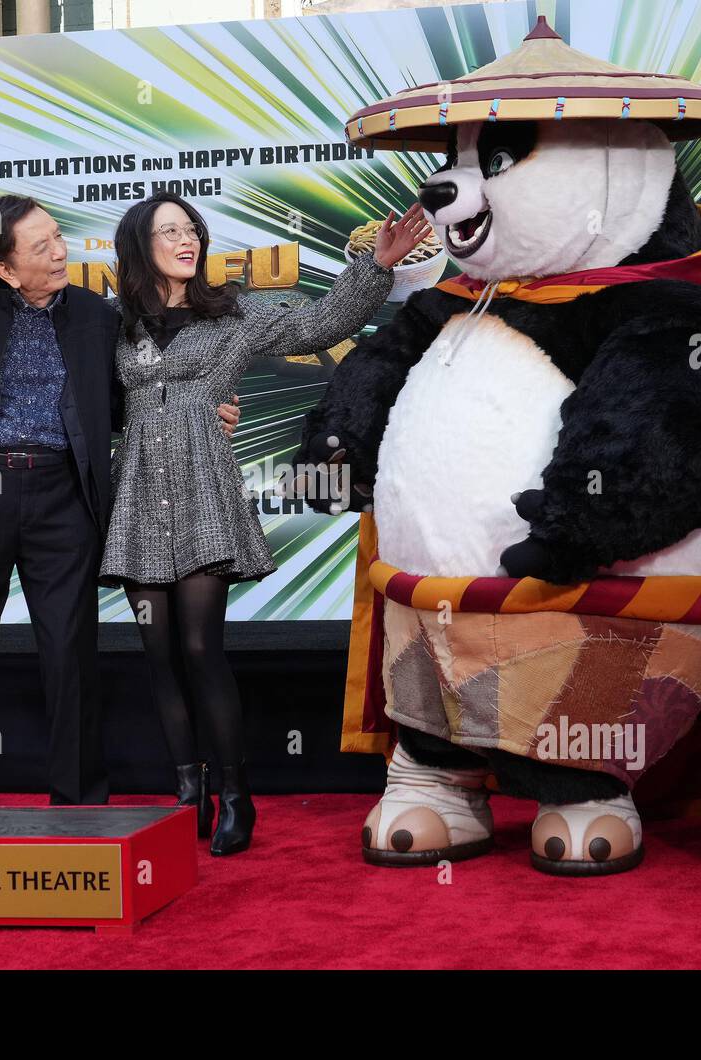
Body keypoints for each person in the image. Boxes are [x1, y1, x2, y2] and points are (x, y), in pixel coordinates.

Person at [101, 190, 432, 854]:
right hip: (136, 497)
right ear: (140, 245)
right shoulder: (110, 324)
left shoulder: (234, 313)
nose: (186, 239)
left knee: (200, 649)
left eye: (191, 229)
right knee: (158, 658)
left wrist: (376, 267)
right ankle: (186, 791)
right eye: (170, 231)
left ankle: (234, 795)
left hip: (204, 494)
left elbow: (319, 324)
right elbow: (94, 403)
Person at [0, 194, 239, 806]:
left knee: (70, 653)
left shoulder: (97, 317)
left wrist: (201, 411)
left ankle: (79, 803)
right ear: (4, 268)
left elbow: (128, 404)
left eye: (58, 236)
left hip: (63, 495)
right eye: (41, 247)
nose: (61, 251)